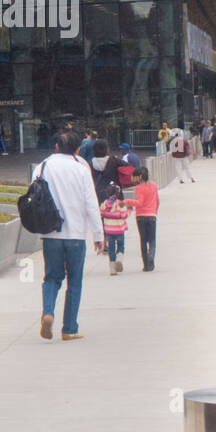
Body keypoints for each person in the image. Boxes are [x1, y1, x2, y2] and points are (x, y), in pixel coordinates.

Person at [36, 131, 105, 341]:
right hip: (76, 233)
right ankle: (69, 328)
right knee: (74, 281)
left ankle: (48, 312)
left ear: (56, 146)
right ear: (78, 149)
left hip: (51, 232)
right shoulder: (81, 169)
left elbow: (35, 194)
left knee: (51, 278)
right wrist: (98, 233)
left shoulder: (43, 166)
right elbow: (91, 203)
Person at [132, 167, 159, 271]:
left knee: (143, 240)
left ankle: (146, 264)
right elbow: (157, 200)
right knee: (152, 240)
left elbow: (139, 203)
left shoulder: (138, 188)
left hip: (140, 216)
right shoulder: (154, 186)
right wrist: (154, 211)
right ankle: (151, 256)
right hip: (152, 215)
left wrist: (127, 202)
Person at [100, 185, 130, 275]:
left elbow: (100, 213)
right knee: (121, 246)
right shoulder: (120, 203)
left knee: (111, 249)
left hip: (109, 230)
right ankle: (119, 258)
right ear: (117, 193)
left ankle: (112, 268)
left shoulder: (104, 204)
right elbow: (125, 215)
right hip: (119, 229)